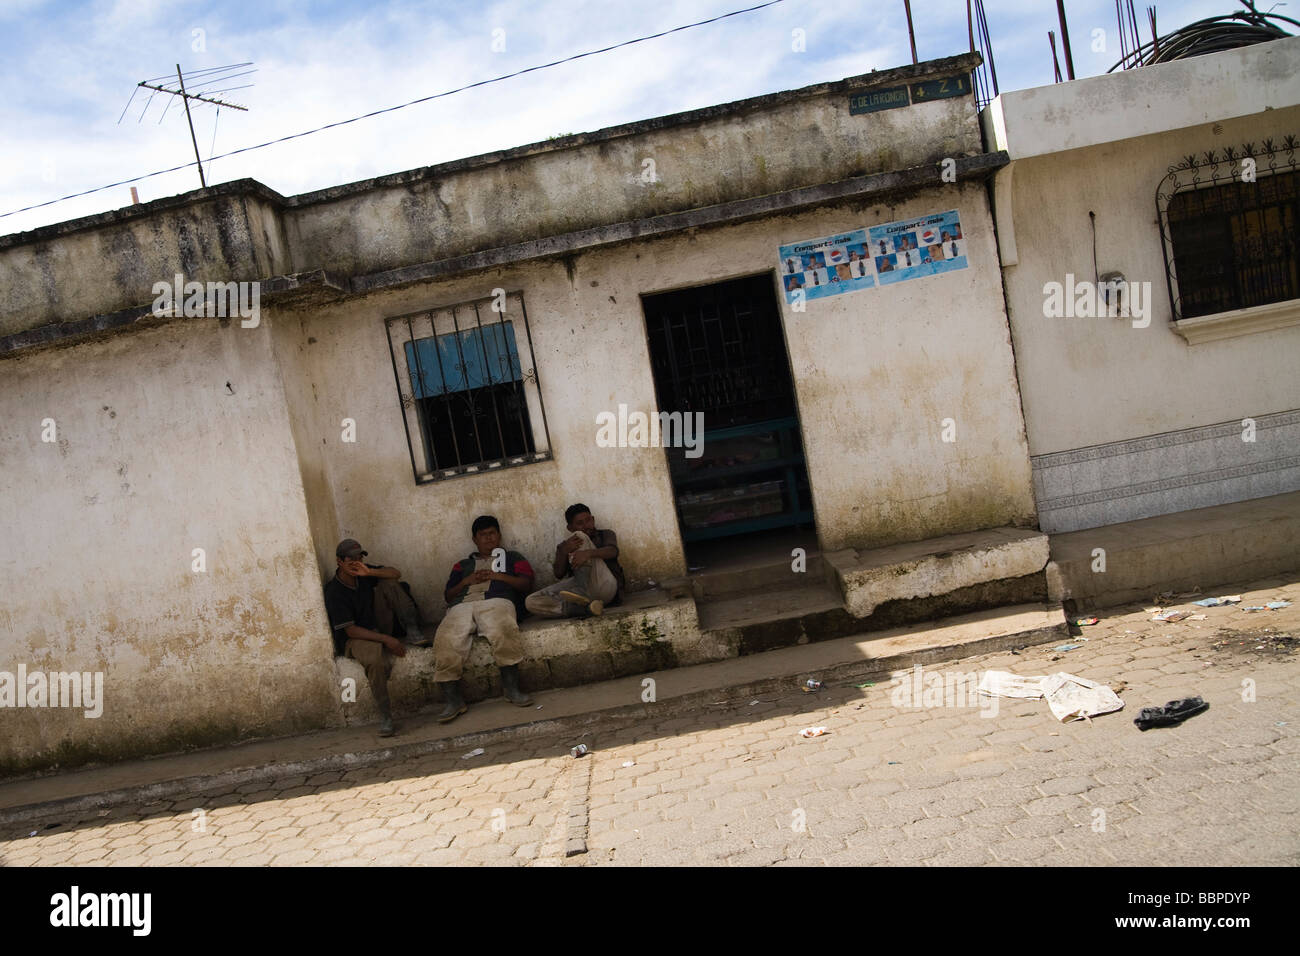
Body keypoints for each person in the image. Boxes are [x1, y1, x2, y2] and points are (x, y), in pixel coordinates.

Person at [323, 538, 431, 737]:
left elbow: (395, 573)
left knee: (388, 582)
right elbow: (351, 631)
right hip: (355, 638)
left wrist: (370, 572)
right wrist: (386, 640)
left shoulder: (363, 572)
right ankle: (385, 715)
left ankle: (412, 628)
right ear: (339, 561)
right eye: (350, 559)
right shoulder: (335, 591)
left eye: (359, 557)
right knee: (375, 660)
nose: (356, 561)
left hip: (377, 626)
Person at [433, 515, 534, 722]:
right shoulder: (462, 565)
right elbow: (448, 596)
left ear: (499, 535)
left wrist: (499, 577)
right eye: (483, 535)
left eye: (492, 534)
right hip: (461, 606)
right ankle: (453, 700)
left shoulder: (513, 557)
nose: (488, 539)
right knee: (446, 638)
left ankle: (512, 688)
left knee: (504, 628)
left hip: (498, 601)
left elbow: (527, 584)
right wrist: (465, 582)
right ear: (474, 539)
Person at [526, 504, 625, 619]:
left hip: (605, 587)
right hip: (580, 594)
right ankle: (584, 609)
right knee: (531, 601)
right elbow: (558, 574)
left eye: (588, 520)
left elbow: (613, 551)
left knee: (580, 536)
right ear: (570, 528)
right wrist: (563, 551)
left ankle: (581, 592)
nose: (586, 525)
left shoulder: (605, 534)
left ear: (593, 520)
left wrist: (588, 553)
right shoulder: (564, 546)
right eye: (580, 523)